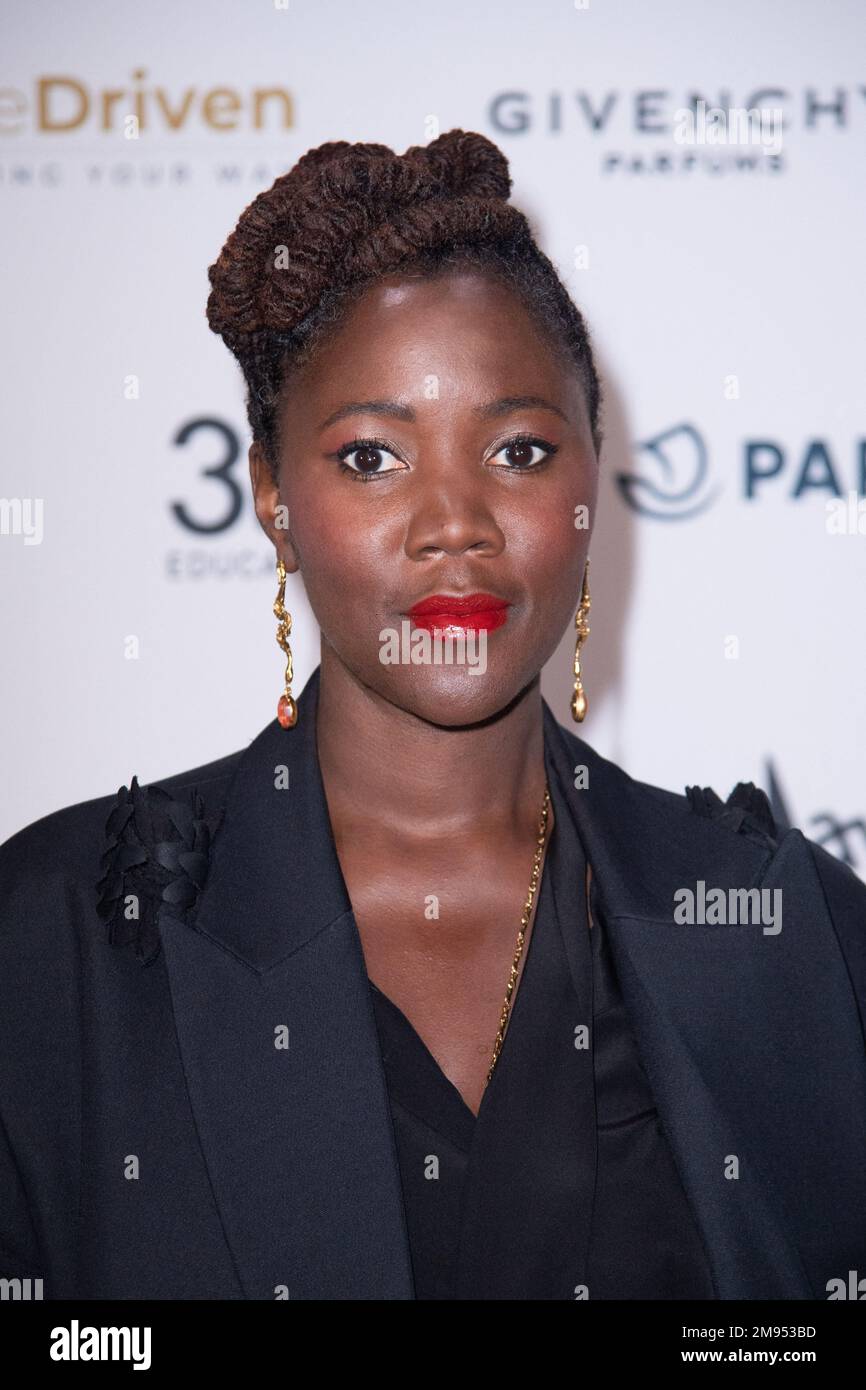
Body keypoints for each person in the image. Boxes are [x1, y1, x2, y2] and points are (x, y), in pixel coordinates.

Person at [1, 129, 865, 1302]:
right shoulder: (56, 944)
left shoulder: (793, 934)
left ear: (589, 478)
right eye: (370, 457)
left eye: (517, 449)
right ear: (270, 497)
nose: (453, 519)